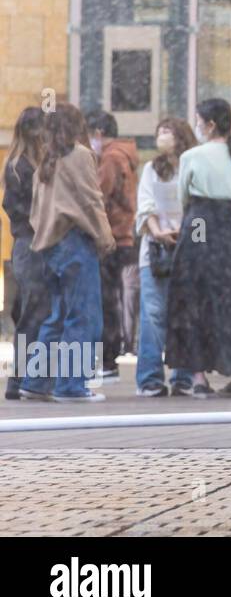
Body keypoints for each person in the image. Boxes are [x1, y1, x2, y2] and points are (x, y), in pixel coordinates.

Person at [166, 99, 231, 398]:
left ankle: (198, 377)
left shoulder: (192, 156)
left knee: (195, 295)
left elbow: (183, 197)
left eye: (198, 120)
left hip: (199, 222)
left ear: (209, 124)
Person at [23, 103, 116, 402]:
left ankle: (34, 382)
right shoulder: (80, 156)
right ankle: (71, 387)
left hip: (49, 246)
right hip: (75, 241)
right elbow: (91, 200)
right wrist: (105, 236)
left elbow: (35, 212)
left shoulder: (44, 163)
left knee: (57, 316)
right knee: (84, 317)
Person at [134, 118, 198, 397]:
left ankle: (184, 376)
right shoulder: (151, 168)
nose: (161, 136)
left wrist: (184, 231)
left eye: (167, 131)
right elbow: (144, 204)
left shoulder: (193, 166)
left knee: (185, 314)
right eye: (158, 131)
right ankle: (149, 378)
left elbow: (197, 205)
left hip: (186, 247)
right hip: (156, 250)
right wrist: (158, 231)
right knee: (153, 313)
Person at [85, 109, 139, 382]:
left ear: (98, 133)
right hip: (124, 235)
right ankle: (110, 358)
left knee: (105, 300)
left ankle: (107, 360)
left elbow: (98, 197)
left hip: (111, 237)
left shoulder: (110, 157)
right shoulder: (126, 155)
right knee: (113, 298)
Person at [3, 107, 49, 400]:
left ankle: (29, 378)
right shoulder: (21, 165)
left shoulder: (21, 163)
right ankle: (21, 380)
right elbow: (16, 208)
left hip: (32, 243)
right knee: (34, 312)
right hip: (32, 244)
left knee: (36, 312)